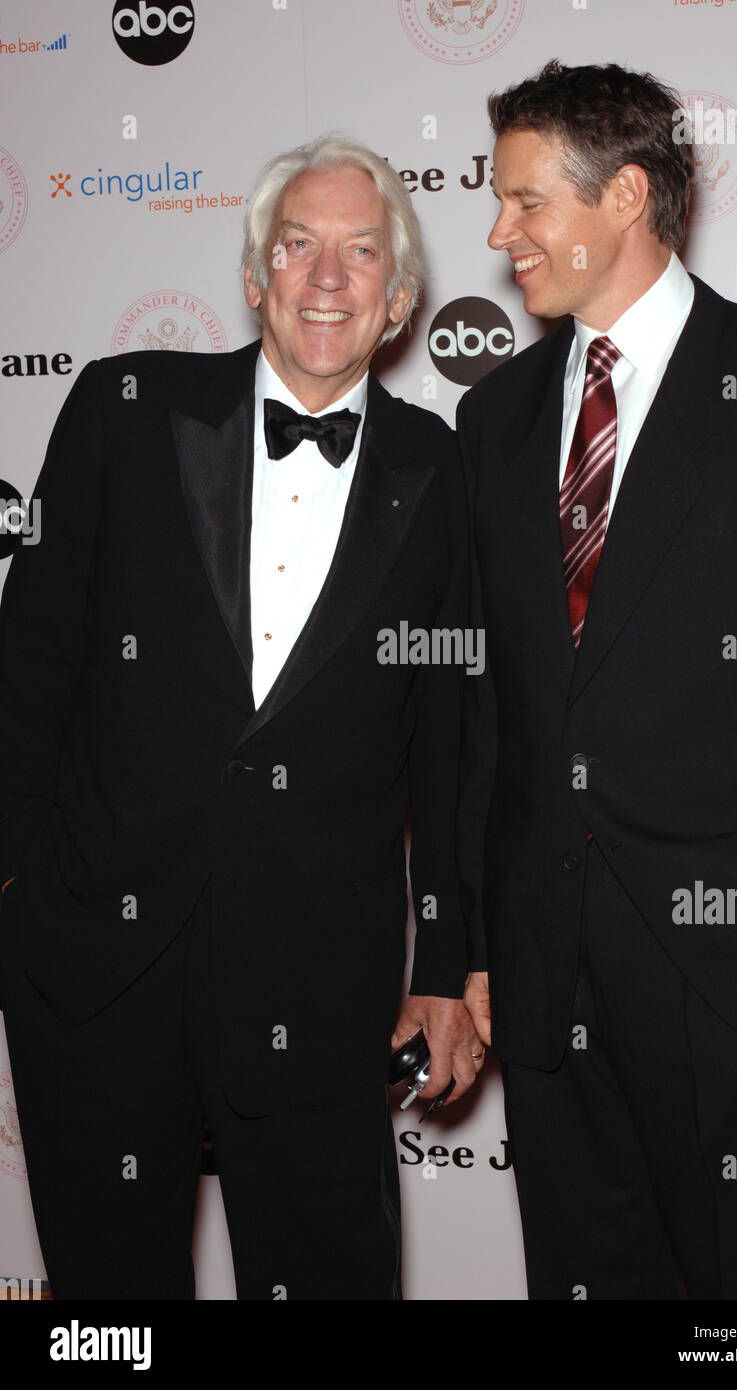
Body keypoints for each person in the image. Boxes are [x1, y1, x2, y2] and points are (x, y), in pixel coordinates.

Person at [0, 133, 482, 1301]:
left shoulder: (448, 473)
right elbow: (30, 665)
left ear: (401, 299)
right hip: (94, 965)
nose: (326, 277)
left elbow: (456, 742)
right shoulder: (123, 412)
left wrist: (449, 961)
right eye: (297, 246)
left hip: (318, 984)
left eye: (359, 252)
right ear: (255, 276)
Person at [458, 60, 737, 1299]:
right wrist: (477, 938)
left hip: (728, 961)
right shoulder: (502, 416)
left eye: (527, 202)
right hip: (544, 973)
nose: (498, 231)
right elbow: (492, 711)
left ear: (623, 194)